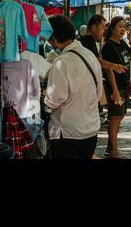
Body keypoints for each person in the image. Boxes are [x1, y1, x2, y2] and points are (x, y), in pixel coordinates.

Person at [43, 15, 102, 159]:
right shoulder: (90, 56)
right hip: (91, 131)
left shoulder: (61, 63)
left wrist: (43, 96)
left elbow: (53, 100)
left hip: (68, 135)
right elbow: (98, 93)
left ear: (55, 39)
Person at [101, 16, 131, 158]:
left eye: (124, 27)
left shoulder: (123, 44)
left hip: (123, 86)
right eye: (120, 26)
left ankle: (110, 147)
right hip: (115, 87)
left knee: (118, 117)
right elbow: (109, 70)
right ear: (112, 28)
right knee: (115, 117)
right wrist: (114, 91)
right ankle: (114, 150)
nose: (122, 29)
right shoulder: (108, 45)